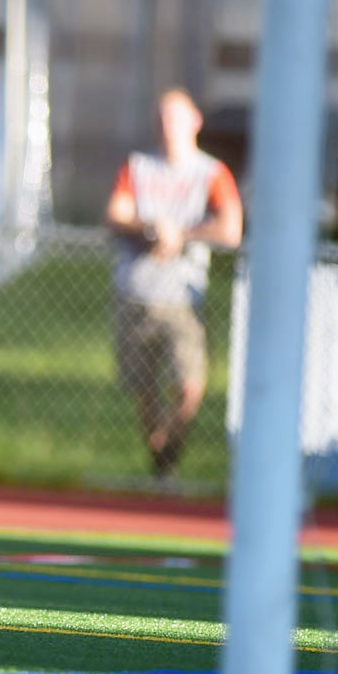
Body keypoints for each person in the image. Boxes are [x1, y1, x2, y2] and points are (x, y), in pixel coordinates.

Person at [103, 88, 243, 479]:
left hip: (183, 295)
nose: (168, 128)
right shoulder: (138, 167)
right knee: (143, 387)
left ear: (195, 121)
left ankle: (168, 453)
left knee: (189, 384)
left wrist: (179, 234)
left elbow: (230, 228)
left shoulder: (211, 173)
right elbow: (116, 214)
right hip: (137, 290)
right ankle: (161, 464)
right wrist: (150, 227)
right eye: (161, 120)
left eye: (176, 119)